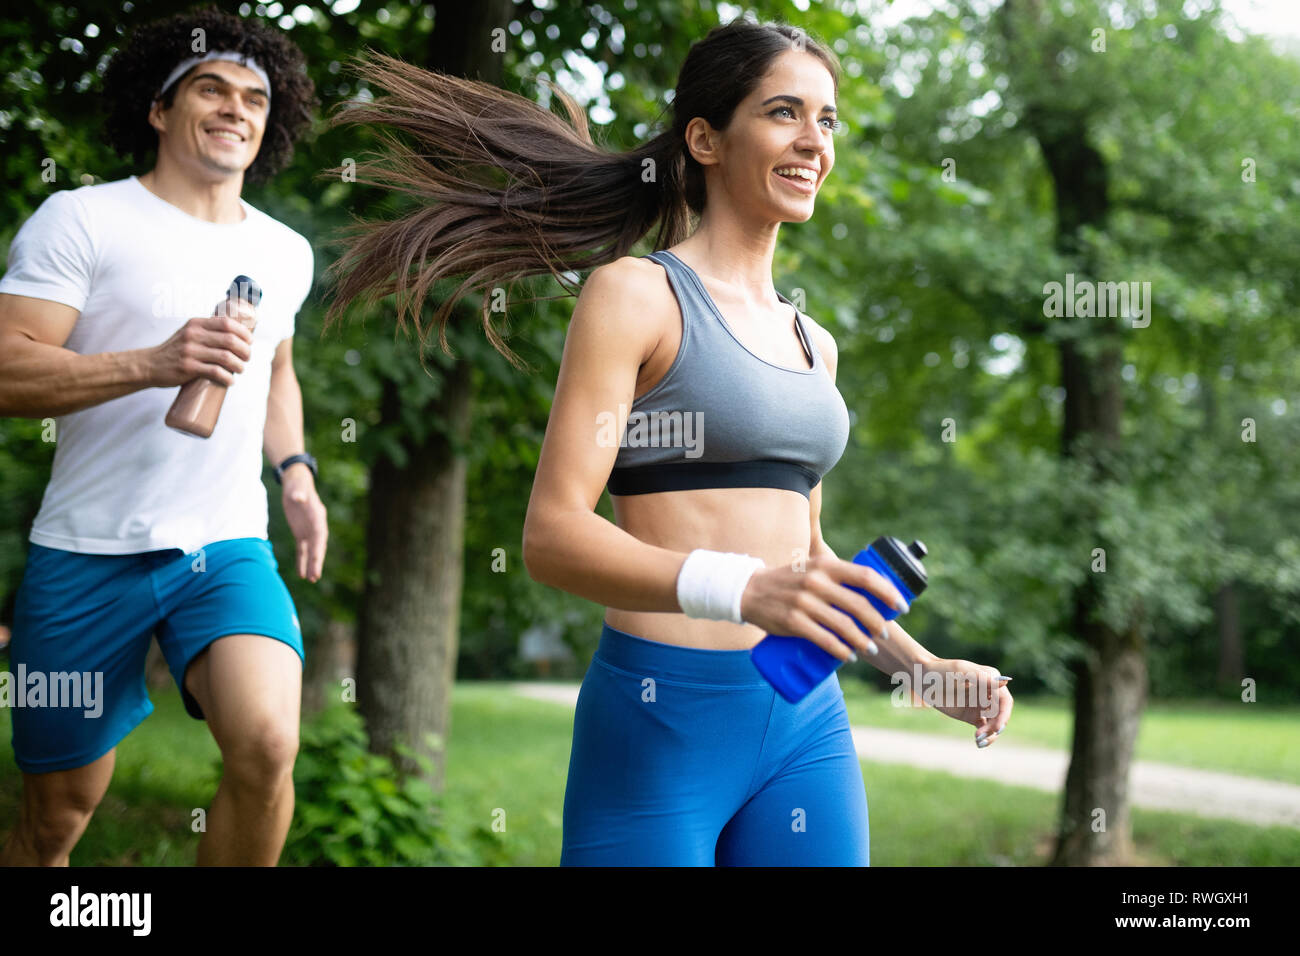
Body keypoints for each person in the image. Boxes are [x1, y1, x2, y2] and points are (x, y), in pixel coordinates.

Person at [324, 19, 1012, 866]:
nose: (813, 141)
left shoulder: (814, 343)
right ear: (706, 139)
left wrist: (920, 668)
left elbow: (807, 556)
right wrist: (744, 589)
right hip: (661, 717)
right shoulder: (637, 297)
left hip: (804, 724)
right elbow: (554, 535)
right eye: (784, 112)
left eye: (827, 120)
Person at [0, 7, 324, 866]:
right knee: (56, 820)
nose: (235, 109)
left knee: (265, 743)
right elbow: (6, 368)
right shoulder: (81, 220)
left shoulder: (285, 251)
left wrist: (294, 468)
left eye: (254, 98)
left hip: (221, 546)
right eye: (209, 89)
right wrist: (152, 363)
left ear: (270, 121)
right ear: (159, 110)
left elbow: (275, 372)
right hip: (82, 551)